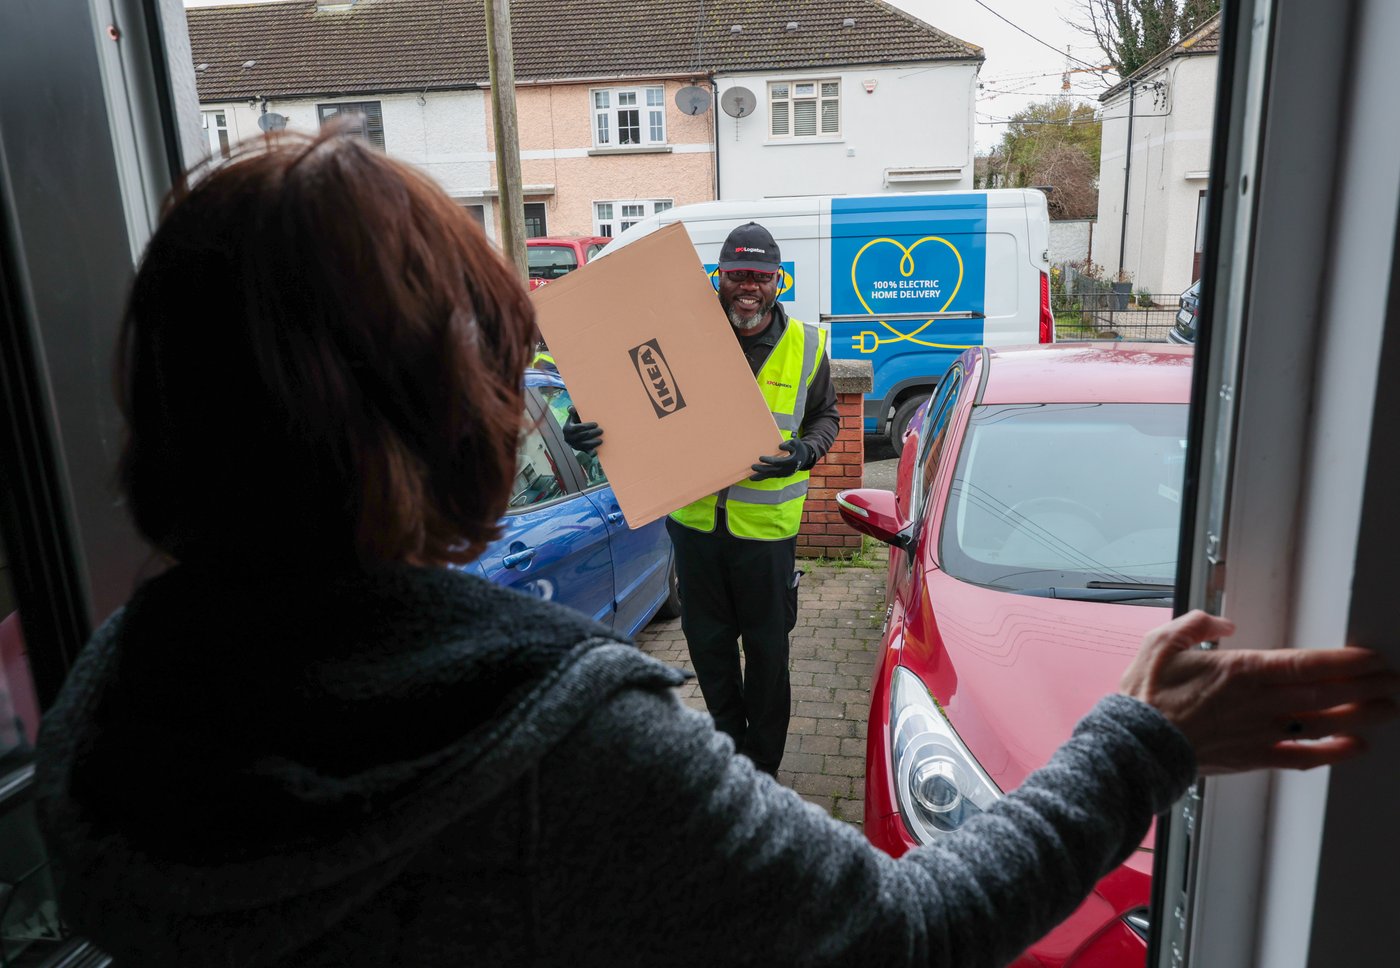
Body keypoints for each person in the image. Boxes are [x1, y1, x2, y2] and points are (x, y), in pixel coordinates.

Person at [34, 133, 1399, 968]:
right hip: (699, 541)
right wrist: (1141, 738)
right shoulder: (551, 748)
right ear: (449, 420)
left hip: (755, 541)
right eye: (498, 364)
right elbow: (903, 937)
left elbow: (814, 437)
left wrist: (782, 461)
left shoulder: (107, 710)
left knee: (758, 681)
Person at [566, 222, 838, 776]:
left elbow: (825, 417)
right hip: (693, 532)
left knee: (768, 659)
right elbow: (623, 390)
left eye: (760, 277)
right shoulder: (679, 331)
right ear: (719, 276)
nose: (748, 287)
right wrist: (581, 424)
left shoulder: (806, 345)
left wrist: (803, 453)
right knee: (710, 654)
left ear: (778, 281)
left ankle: (762, 772)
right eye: (737, 274)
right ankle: (729, 759)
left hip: (765, 539)